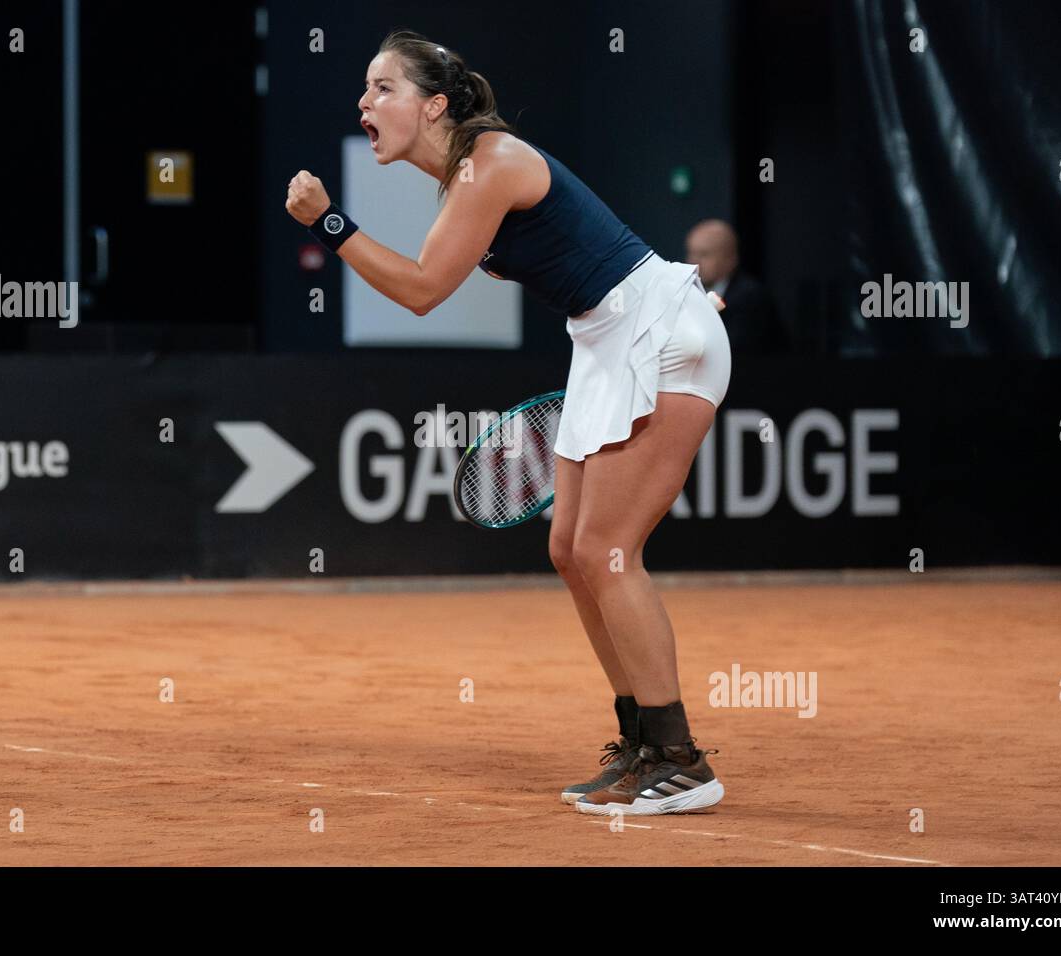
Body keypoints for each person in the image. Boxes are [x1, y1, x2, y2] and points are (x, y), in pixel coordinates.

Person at [285, 29, 729, 815]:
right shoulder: (466, 180)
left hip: (653, 335)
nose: (363, 102)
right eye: (366, 88)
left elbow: (423, 291)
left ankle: (681, 758)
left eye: (383, 88)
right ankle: (639, 742)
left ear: (434, 106)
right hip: (608, 337)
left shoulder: (490, 163)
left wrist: (329, 223)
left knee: (609, 550)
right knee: (571, 551)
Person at [686, 218, 786, 353]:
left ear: (730, 258)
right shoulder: (688, 293)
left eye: (704, 254)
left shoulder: (750, 297)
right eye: (691, 253)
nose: (693, 262)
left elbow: (735, 349)